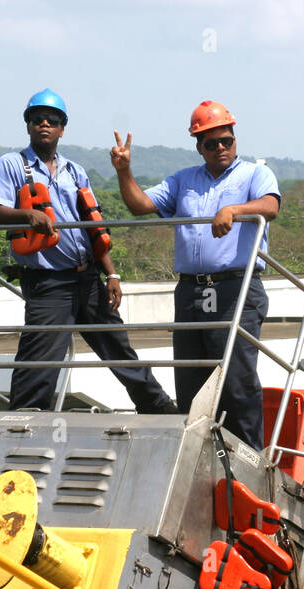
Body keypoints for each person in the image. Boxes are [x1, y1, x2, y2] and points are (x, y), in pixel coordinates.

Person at [0, 89, 176, 414]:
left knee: (118, 347)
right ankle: (24, 421)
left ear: (62, 128)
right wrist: (27, 215)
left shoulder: (75, 171)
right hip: (48, 283)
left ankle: (160, 411)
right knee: (41, 358)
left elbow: (92, 227)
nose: (44, 124)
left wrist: (111, 273)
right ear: (28, 125)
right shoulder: (13, 165)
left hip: (87, 278)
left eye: (52, 120)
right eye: (37, 119)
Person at [111, 100, 281, 448]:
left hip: (236, 289)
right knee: (191, 381)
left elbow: (270, 205)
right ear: (198, 146)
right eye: (210, 143)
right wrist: (124, 171)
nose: (220, 148)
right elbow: (141, 205)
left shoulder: (255, 174)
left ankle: (250, 455)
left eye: (227, 141)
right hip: (190, 291)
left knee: (236, 379)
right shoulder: (183, 180)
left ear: (235, 140)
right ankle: (199, 457)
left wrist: (233, 209)